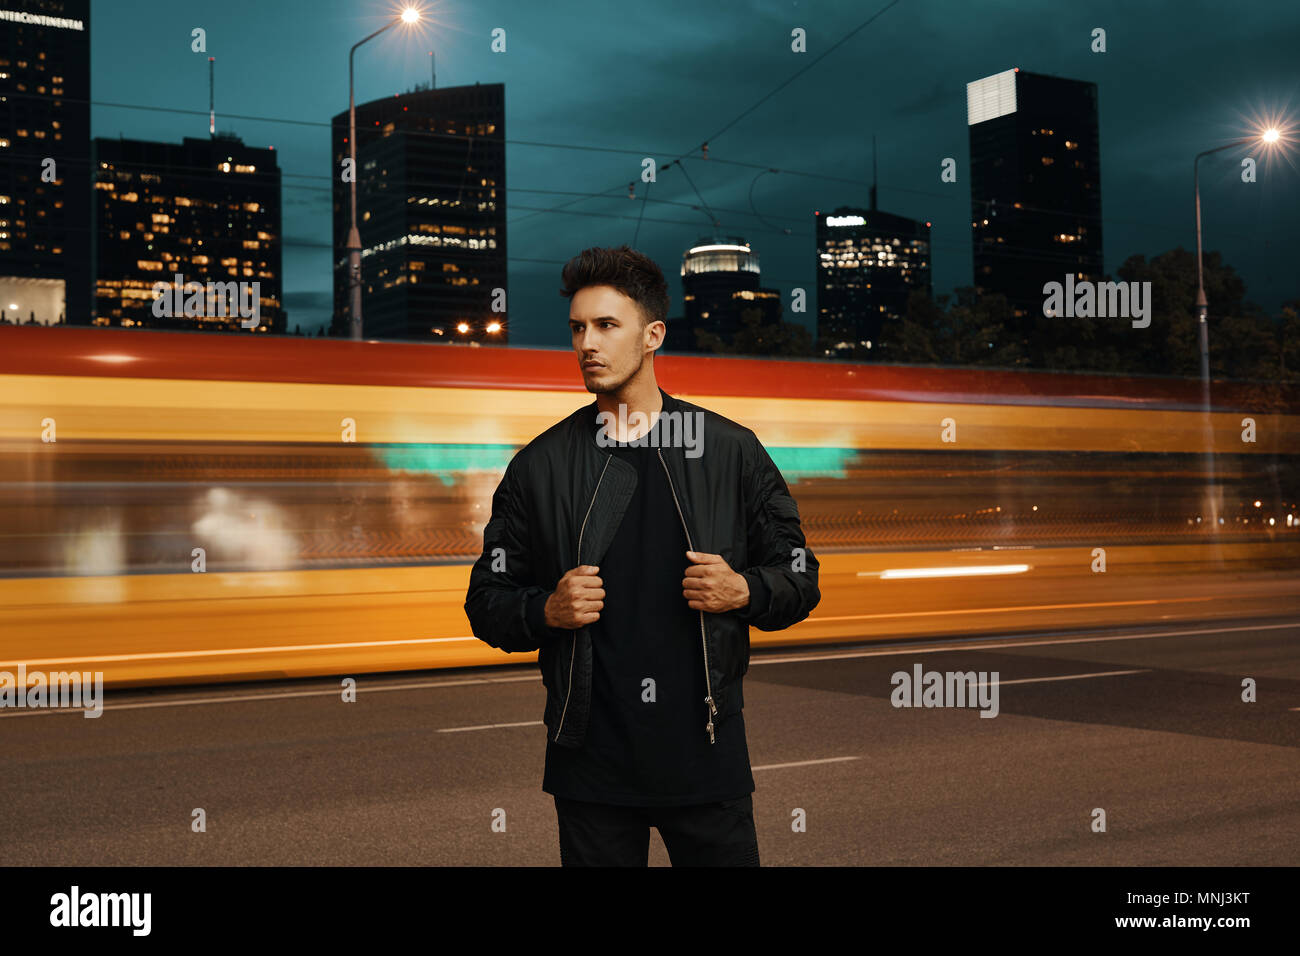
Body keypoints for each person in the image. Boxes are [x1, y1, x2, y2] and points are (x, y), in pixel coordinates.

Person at [463, 245, 820, 866]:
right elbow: (485, 601)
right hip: (591, 764)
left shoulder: (729, 451)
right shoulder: (539, 467)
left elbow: (799, 574)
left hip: (705, 757)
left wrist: (746, 591)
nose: (586, 345)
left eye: (606, 326)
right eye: (577, 327)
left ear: (653, 334)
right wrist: (545, 609)